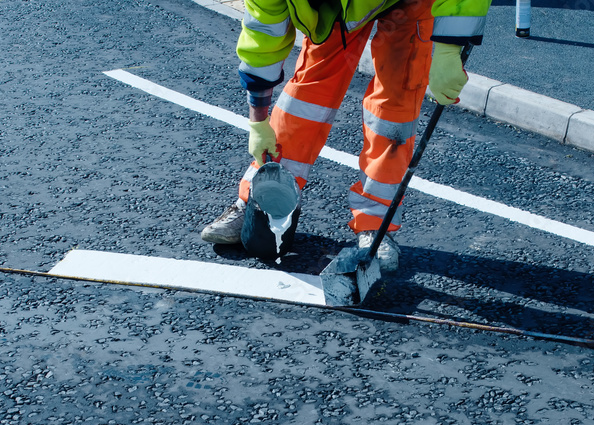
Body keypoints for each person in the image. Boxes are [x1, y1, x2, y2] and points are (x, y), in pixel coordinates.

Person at [201, 0, 492, 271]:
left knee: (395, 102)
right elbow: (263, 31)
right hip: (337, 6)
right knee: (309, 92)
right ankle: (262, 201)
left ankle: (376, 225)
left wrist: (449, 46)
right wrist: (258, 118)